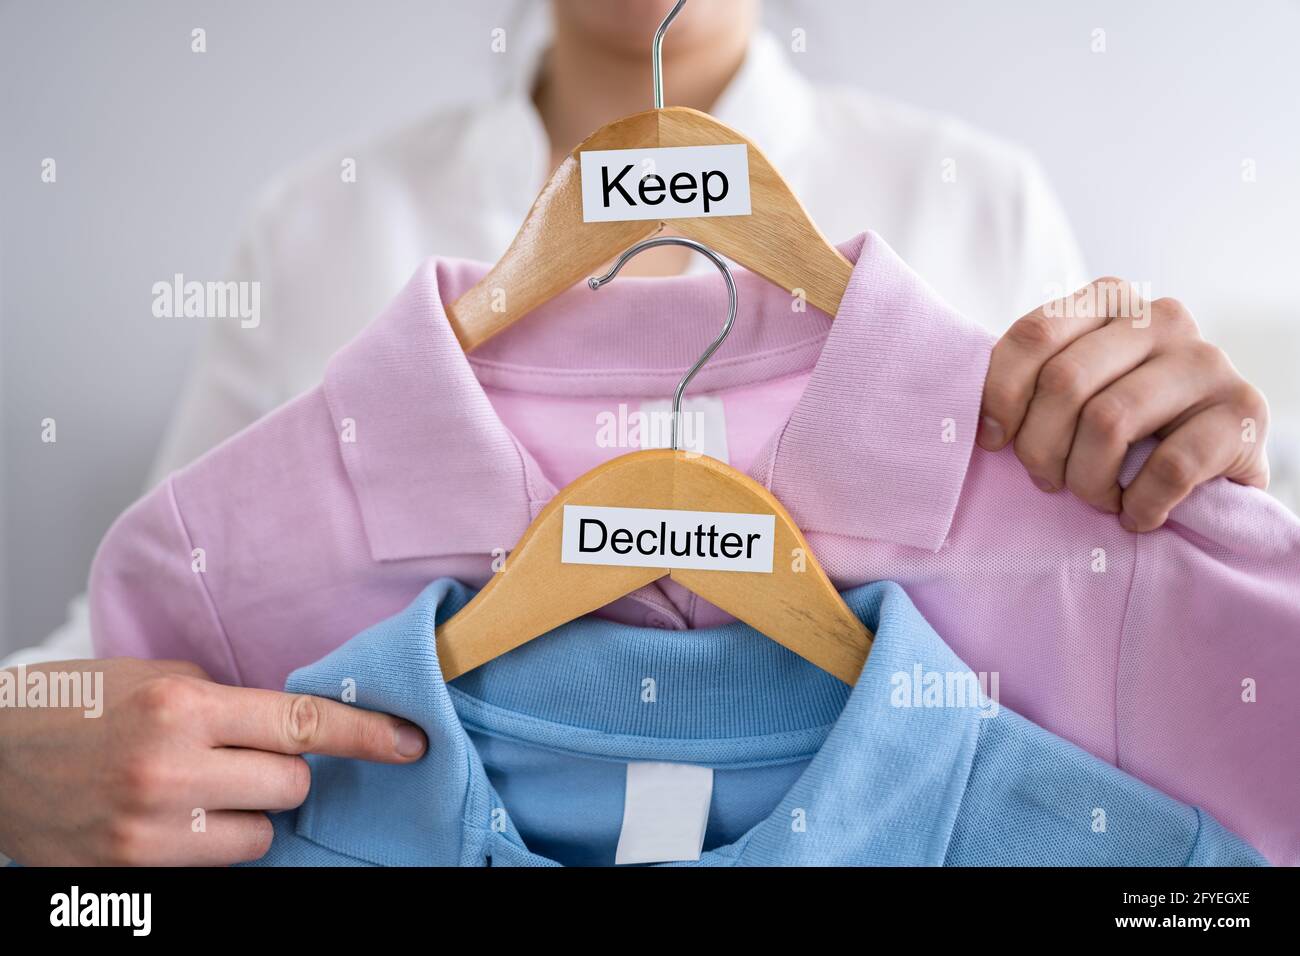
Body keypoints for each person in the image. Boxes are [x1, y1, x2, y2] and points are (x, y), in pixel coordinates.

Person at [0, 0, 1271, 865]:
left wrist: (1201, 507)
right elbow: (127, 689)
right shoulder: (313, 226)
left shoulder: (986, 199)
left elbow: (1150, 648)